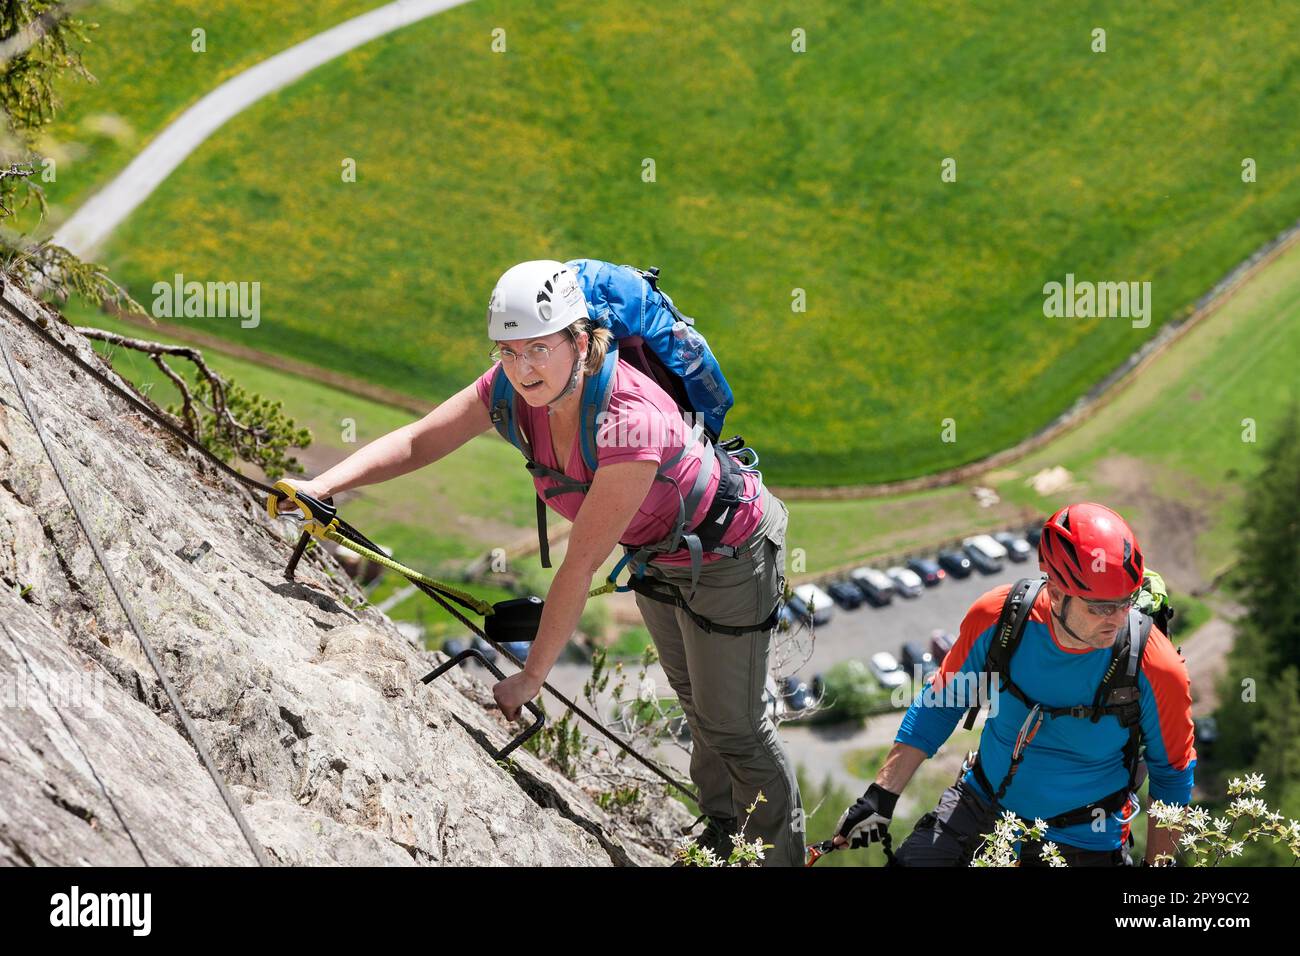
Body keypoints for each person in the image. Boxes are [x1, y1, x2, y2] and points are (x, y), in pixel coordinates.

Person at [275, 260, 803, 866]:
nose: (522, 367)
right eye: (508, 350)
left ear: (580, 340)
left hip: (730, 550)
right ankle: (721, 834)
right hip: (659, 553)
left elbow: (577, 570)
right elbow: (423, 440)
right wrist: (323, 487)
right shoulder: (510, 387)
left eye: (538, 349)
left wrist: (530, 679)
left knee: (733, 723)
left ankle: (774, 858)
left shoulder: (629, 422)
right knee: (698, 703)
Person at [834, 503, 1196, 866]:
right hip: (981, 805)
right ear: (1055, 594)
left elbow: (1172, 776)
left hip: (1086, 839)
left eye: (1125, 602)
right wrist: (881, 796)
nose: (1118, 619)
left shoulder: (1155, 665)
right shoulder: (1000, 620)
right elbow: (941, 705)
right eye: (1100, 608)